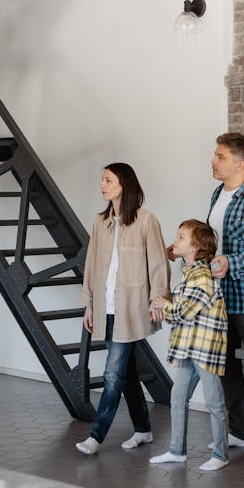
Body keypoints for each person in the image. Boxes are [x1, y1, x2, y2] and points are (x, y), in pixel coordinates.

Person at [176, 132, 244, 449]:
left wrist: (231, 262)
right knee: (226, 369)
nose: (213, 161)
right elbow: (212, 244)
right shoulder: (217, 195)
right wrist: (186, 251)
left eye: (220, 156)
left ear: (240, 162)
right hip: (219, 300)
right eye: (215, 155)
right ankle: (240, 433)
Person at [75, 163, 170, 455]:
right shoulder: (99, 222)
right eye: (101, 179)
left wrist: (158, 299)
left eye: (108, 180)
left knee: (113, 374)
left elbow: (157, 263)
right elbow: (91, 265)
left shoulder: (146, 220)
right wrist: (89, 303)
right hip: (106, 307)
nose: (102, 185)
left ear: (124, 184)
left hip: (132, 307)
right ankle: (143, 429)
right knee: (126, 372)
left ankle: (96, 435)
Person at [149, 219, 229, 471]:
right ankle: (176, 450)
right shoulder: (190, 274)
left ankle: (220, 453)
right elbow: (181, 306)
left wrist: (164, 305)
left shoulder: (202, 277)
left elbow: (184, 312)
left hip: (204, 350)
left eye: (181, 237)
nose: (176, 240)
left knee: (214, 401)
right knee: (178, 397)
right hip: (188, 348)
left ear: (195, 247)